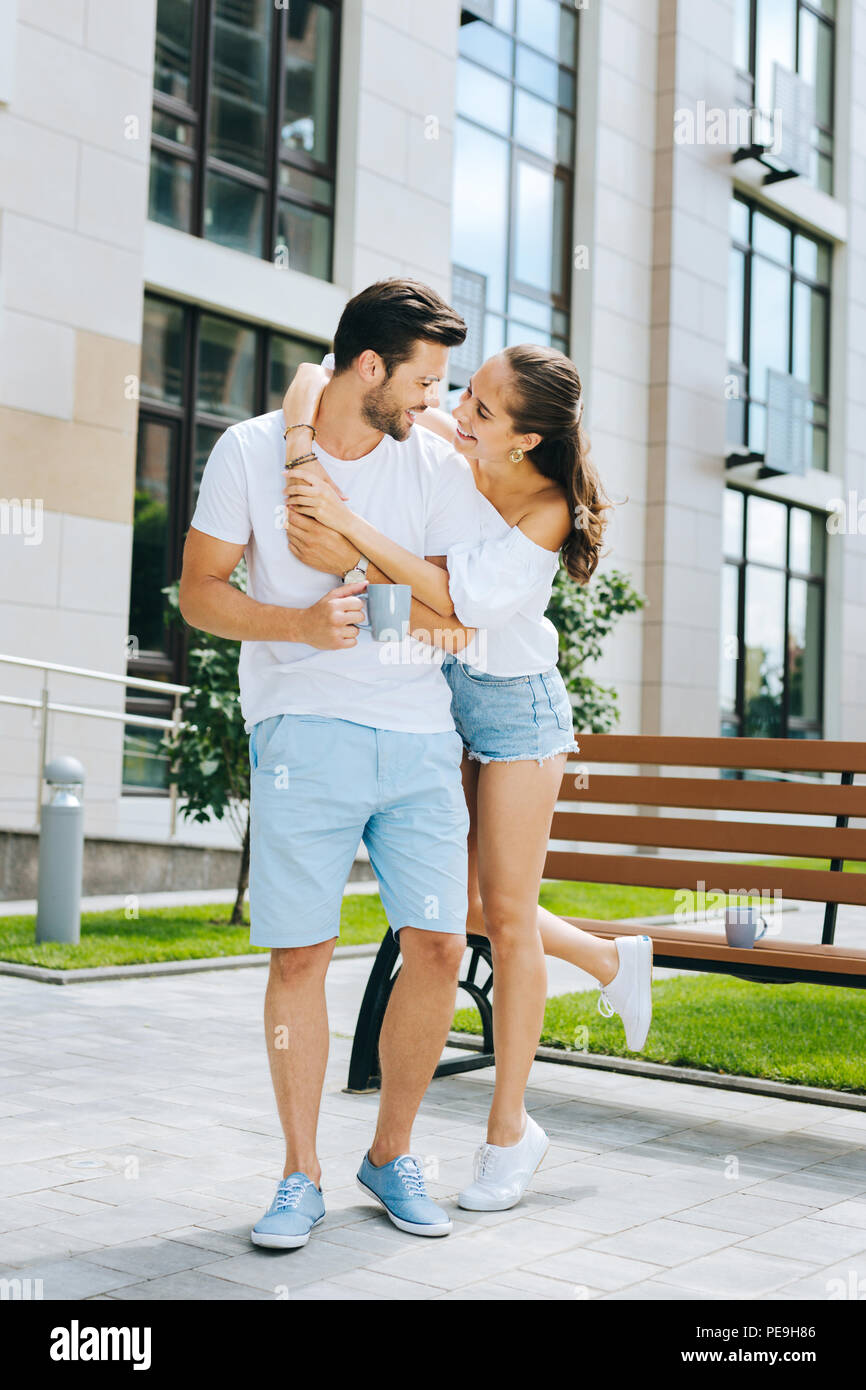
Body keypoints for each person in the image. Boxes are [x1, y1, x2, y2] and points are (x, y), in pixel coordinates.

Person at [282, 344, 653, 1213]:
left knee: (508, 922)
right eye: (467, 392)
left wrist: (346, 529)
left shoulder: (550, 510)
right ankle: (610, 959)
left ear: (524, 440)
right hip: (445, 692)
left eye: (482, 406)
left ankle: (509, 1132)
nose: (457, 407)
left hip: (518, 713)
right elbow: (315, 369)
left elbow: (465, 606)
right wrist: (304, 447)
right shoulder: (458, 446)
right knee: (471, 909)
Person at [180, 279, 493, 1250]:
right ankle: (298, 1174)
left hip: (417, 738)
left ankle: (389, 1151)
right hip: (301, 731)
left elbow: (462, 620)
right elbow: (196, 593)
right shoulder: (250, 452)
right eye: (424, 380)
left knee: (438, 944)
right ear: (370, 367)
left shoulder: (433, 468)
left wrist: (393, 580)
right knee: (300, 954)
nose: (434, 402)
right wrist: (299, 625)